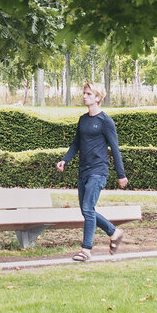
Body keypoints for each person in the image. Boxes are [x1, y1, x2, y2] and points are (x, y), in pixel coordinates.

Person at [56, 81, 128, 262]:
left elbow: (115, 148)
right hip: (83, 171)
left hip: (98, 171)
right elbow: (76, 144)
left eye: (88, 94)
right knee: (86, 209)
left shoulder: (105, 121)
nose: (84, 96)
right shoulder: (83, 120)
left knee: (88, 208)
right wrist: (65, 159)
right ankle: (114, 232)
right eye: (84, 93)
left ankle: (86, 250)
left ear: (98, 97)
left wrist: (121, 174)